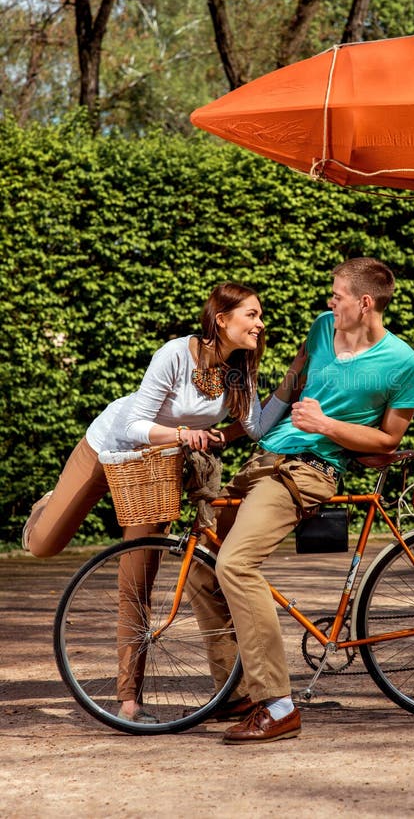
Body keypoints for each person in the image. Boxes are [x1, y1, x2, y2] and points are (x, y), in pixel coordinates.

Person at [22, 281, 304, 722]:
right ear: (221, 319)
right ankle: (51, 504)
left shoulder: (241, 367)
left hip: (156, 471)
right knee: (44, 544)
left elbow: (253, 427)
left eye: (260, 314)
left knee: (138, 578)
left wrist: (292, 382)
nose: (260, 323)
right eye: (251, 314)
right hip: (107, 448)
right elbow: (135, 422)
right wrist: (181, 434)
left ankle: (129, 700)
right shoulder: (175, 354)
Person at [204, 257, 414, 744]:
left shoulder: (404, 363)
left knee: (236, 565)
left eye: (338, 295)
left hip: (311, 471)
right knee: (204, 564)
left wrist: (326, 426)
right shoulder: (323, 328)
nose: (330, 301)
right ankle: (236, 691)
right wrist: (242, 428)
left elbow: (388, 441)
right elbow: (291, 384)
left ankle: (279, 706)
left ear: (364, 303)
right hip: (265, 459)